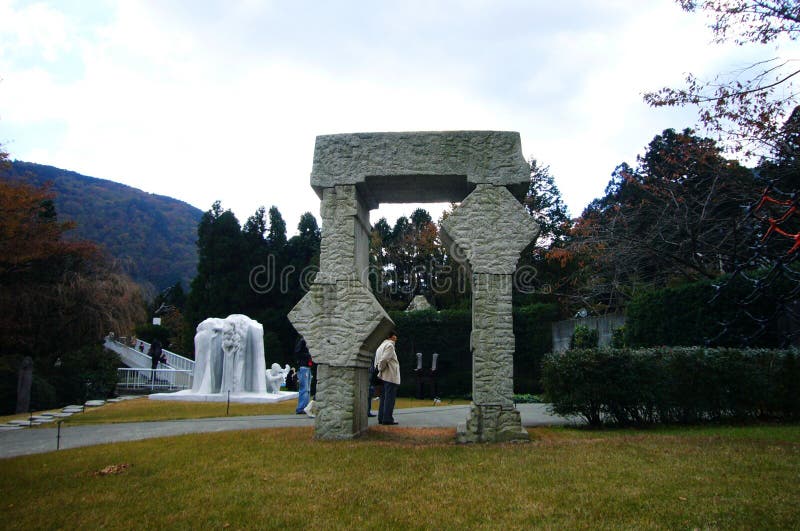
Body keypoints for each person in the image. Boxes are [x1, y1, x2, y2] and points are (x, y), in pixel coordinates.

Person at [375, 330, 400, 425]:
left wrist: (379, 370)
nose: (396, 337)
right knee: (390, 398)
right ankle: (387, 419)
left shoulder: (381, 346)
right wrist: (380, 368)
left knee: (384, 398)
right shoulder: (390, 345)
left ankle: (381, 417)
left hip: (383, 376)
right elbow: (384, 359)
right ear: (392, 336)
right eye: (395, 335)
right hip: (390, 375)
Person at [294, 336, 313, 415]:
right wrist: (309, 355)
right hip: (303, 367)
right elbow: (297, 352)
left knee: (307, 389)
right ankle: (301, 408)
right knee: (304, 389)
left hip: (307, 367)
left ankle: (305, 407)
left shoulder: (307, 341)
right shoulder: (302, 341)